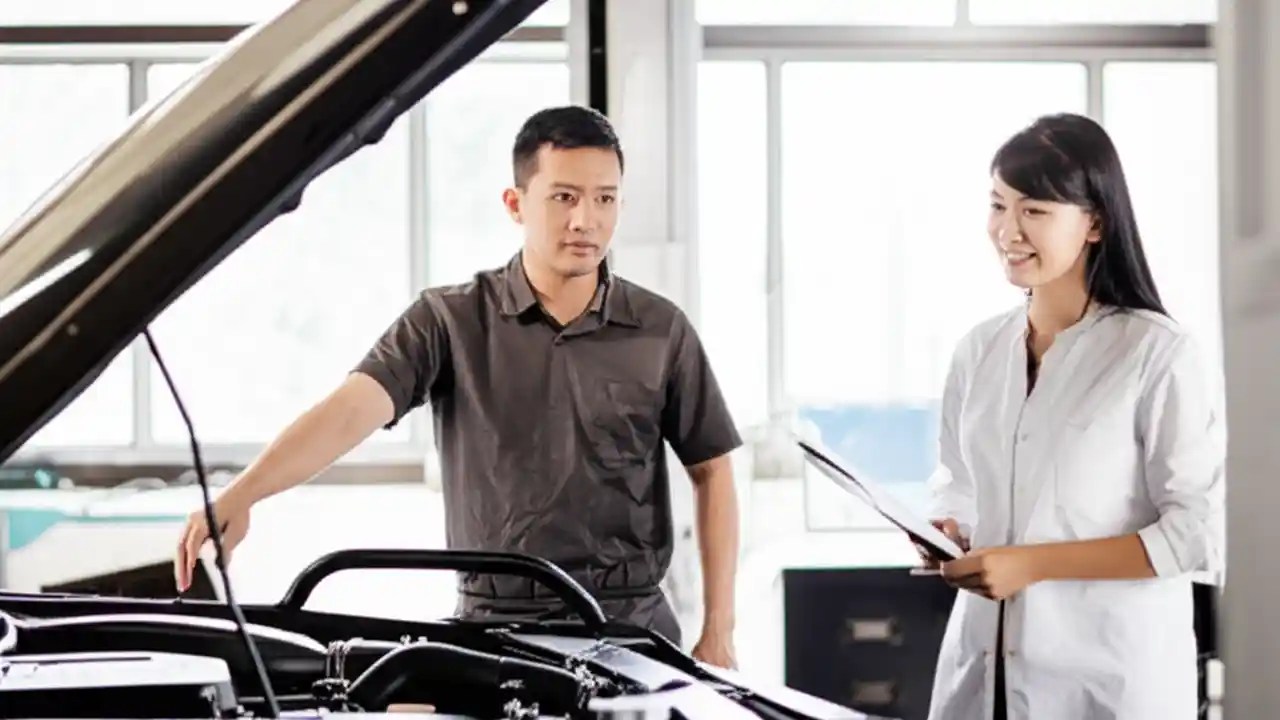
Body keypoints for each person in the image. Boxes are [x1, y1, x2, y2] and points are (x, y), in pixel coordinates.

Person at [172, 105, 743, 667]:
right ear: (516, 204)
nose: (585, 220)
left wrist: (719, 631)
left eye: (605, 198)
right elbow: (349, 410)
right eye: (564, 197)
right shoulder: (448, 321)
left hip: (632, 630)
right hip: (492, 630)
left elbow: (712, 469)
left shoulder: (661, 329)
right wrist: (242, 493)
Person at [919, 113, 1226, 720]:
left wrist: (1029, 565)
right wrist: (948, 531)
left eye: (1034, 210)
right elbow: (958, 482)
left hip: (1108, 683)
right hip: (983, 677)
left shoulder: (1157, 353)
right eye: (998, 205)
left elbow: (1196, 533)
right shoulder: (978, 350)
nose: (1008, 229)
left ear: (1094, 223)